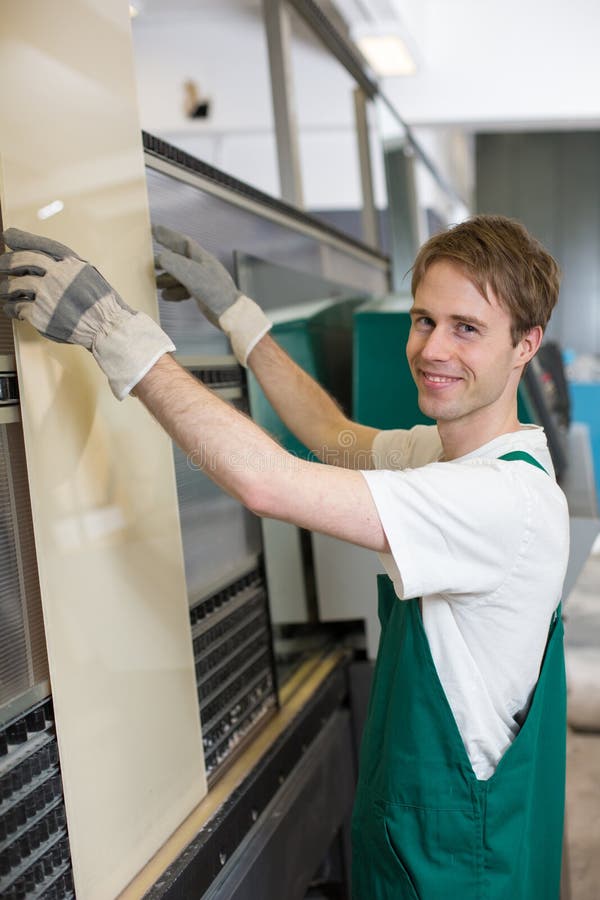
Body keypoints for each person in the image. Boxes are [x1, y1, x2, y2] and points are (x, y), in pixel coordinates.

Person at [0, 215, 569, 899]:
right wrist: (238, 317)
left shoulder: (498, 500)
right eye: (424, 320)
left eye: (466, 327)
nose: (432, 348)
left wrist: (119, 335)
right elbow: (333, 437)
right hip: (425, 852)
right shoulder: (452, 455)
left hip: (455, 875)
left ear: (524, 346)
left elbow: (268, 483)